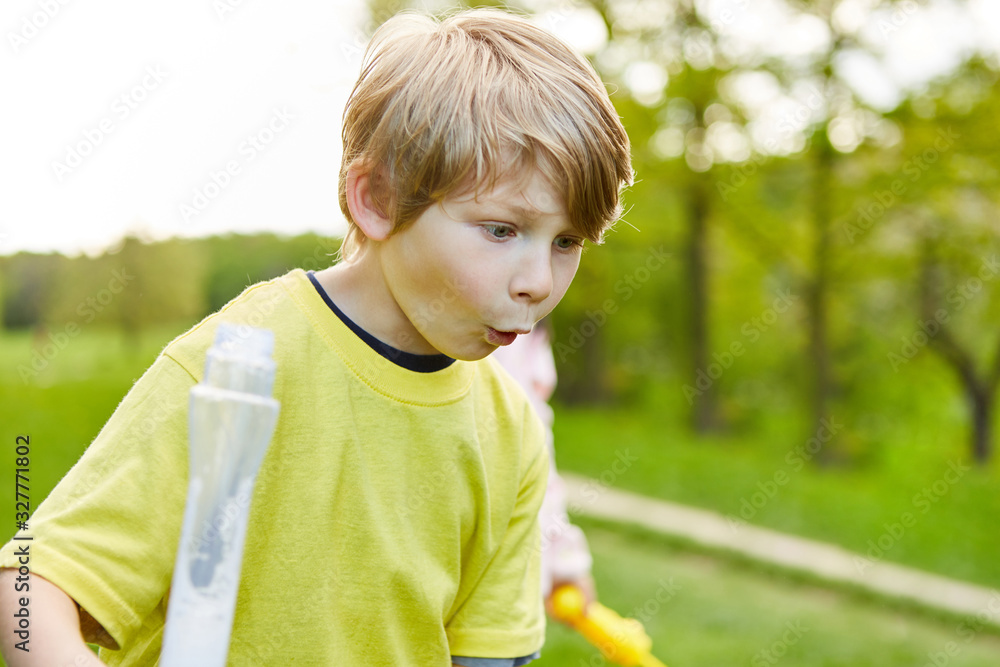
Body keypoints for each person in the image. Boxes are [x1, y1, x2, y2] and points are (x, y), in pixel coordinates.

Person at [0, 8, 631, 666]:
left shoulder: (510, 432)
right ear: (378, 199)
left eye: (566, 242)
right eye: (502, 229)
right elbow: (28, 587)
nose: (538, 279)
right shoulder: (237, 363)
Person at [491, 323, 596, 616]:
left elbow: (538, 456)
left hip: (510, 591)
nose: (541, 284)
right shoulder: (480, 336)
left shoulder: (526, 333)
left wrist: (565, 559)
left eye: (560, 272)